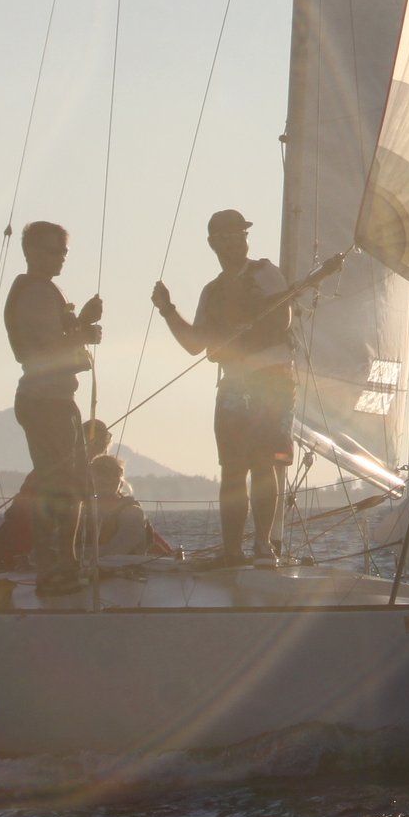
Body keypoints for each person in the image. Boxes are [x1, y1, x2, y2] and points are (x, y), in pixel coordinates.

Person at [151, 209, 341, 566]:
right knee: (233, 468)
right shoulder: (211, 292)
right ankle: (232, 549)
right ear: (212, 244)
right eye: (224, 237)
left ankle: (263, 545)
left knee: (263, 462)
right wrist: (167, 309)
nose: (233, 242)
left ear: (245, 238)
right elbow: (194, 343)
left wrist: (244, 320)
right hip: (234, 384)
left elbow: (281, 318)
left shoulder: (265, 274)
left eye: (238, 235)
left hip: (271, 381)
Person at [6, 219, 103, 594]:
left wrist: (82, 323)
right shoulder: (37, 292)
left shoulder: (36, 291)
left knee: (65, 483)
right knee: (64, 485)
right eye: (52, 250)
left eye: (63, 251)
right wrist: (85, 334)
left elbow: (47, 338)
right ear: (31, 252)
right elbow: (48, 347)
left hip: (47, 398)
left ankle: (61, 563)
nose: (60, 257)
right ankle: (58, 566)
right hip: (48, 401)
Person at [88, 454, 176, 559]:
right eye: (101, 473)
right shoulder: (83, 510)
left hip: (125, 570)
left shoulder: (132, 513)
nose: (107, 479)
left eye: (113, 474)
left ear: (120, 481)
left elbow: (118, 549)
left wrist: (77, 556)